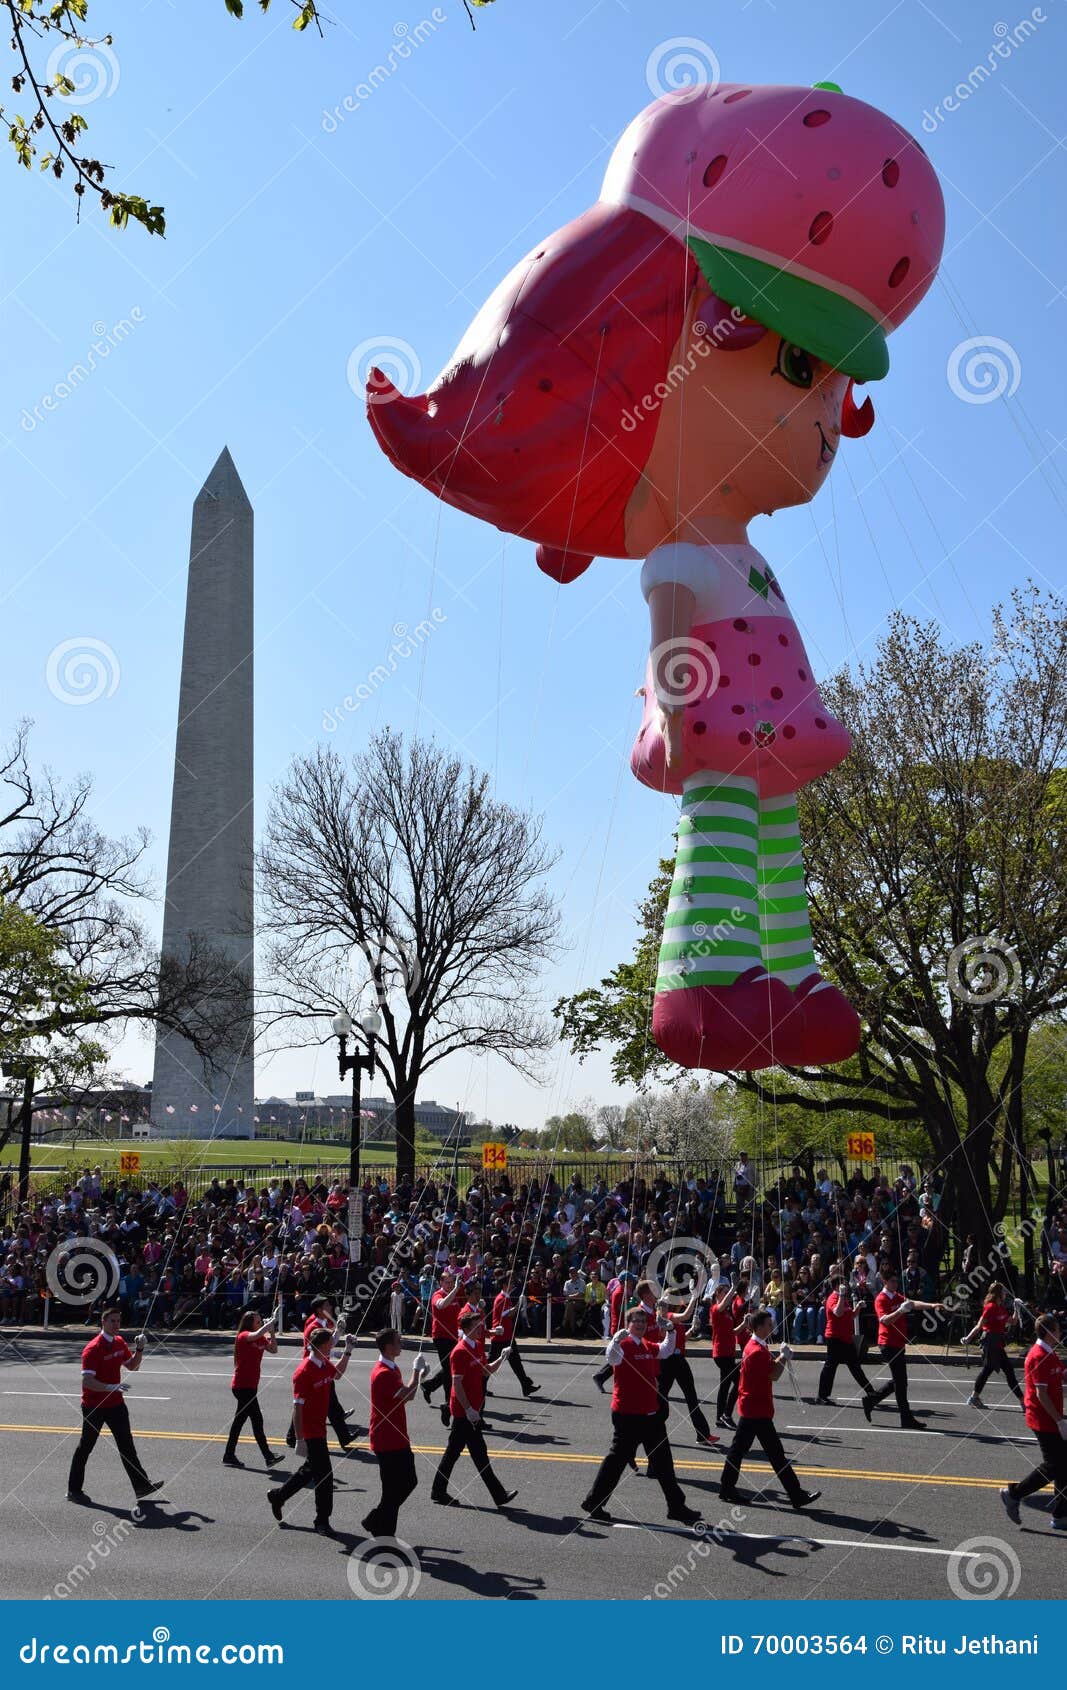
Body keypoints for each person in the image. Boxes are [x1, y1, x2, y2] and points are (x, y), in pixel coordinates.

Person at [579, 1306, 701, 1526]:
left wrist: (671, 1331)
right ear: (628, 1323)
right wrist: (614, 1340)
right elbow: (613, 1359)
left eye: (643, 1322)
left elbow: (665, 1350)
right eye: (636, 1321)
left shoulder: (645, 1344)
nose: (641, 1325)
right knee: (616, 1462)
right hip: (628, 1415)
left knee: (664, 1462)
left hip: (650, 1414)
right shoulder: (623, 1345)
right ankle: (594, 1501)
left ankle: (676, 1506)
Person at [718, 1309, 820, 1511]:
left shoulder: (756, 1345)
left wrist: (780, 1357)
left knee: (741, 1451)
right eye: (767, 1324)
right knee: (774, 1454)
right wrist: (783, 1356)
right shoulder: (756, 1350)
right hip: (756, 1409)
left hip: (753, 1407)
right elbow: (773, 1375)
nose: (771, 1326)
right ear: (758, 1327)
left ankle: (727, 1488)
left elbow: (768, 1369)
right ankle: (796, 1495)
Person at [67, 1307, 164, 1504]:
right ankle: (73, 1490)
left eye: (119, 1321)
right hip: (94, 1406)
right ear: (103, 1322)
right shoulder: (93, 1348)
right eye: (112, 1321)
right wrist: (111, 1386)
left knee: (127, 1446)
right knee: (86, 1447)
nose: (116, 1325)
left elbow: (133, 1367)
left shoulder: (119, 1342)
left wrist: (140, 1349)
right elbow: (87, 1381)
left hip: (115, 1404)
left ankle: (142, 1486)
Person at [270, 1325, 353, 1536]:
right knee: (324, 1476)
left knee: (310, 1470)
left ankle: (279, 1496)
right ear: (321, 1346)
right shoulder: (303, 1372)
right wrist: (300, 1439)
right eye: (329, 1344)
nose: (332, 1346)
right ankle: (321, 1520)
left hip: (320, 1429)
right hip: (310, 1432)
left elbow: (338, 1374)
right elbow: (297, 1408)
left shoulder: (324, 1362)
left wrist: (348, 1351)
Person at [430, 1310, 518, 1510]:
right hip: (464, 1413)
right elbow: (457, 1384)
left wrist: (502, 1358)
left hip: (473, 1412)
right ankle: (498, 1495)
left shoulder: (477, 1346)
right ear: (468, 1329)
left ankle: (439, 1490)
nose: (482, 1329)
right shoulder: (459, 1352)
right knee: (472, 1454)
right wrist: (468, 1409)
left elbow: (486, 1371)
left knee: (464, 1453)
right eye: (478, 1326)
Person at [1000, 1313, 1067, 1533]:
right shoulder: (1038, 1356)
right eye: (1057, 1330)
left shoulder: (1050, 1353)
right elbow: (1041, 1394)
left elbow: (1062, 1374)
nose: (1060, 1333)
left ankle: (1060, 1514)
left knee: (1063, 1465)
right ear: (1048, 1333)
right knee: (1053, 1466)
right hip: (1044, 1420)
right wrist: (1059, 1421)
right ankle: (1014, 1494)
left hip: (1053, 1418)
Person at [362, 1328, 428, 1539]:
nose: (402, 1344)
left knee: (407, 1482)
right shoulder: (383, 1373)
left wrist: (420, 1376)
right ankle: (382, 1530)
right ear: (389, 1347)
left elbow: (405, 1394)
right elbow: (407, 1396)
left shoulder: (391, 1368)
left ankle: (378, 1524)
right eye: (399, 1341)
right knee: (393, 1489)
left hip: (397, 1434)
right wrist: (417, 1373)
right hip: (386, 1438)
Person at [863, 1268, 943, 1429]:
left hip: (898, 1343)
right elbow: (884, 1320)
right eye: (892, 1281)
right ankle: (906, 1418)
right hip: (888, 1344)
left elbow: (912, 1303)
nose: (896, 1283)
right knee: (901, 1383)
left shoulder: (896, 1296)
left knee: (899, 1381)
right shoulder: (881, 1299)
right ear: (885, 1282)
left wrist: (932, 1305)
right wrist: (900, 1310)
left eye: (896, 1281)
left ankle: (871, 1399)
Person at [284, 1295, 357, 1450]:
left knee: (331, 1403)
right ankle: (295, 1437)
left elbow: (328, 1344)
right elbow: (323, 1347)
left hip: (323, 1366)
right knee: (309, 1403)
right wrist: (339, 1335)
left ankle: (344, 1437)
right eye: (327, 1306)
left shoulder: (323, 1323)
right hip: (313, 1369)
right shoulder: (314, 1326)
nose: (330, 1308)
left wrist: (339, 1330)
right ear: (319, 1309)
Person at [656, 1287, 718, 1447]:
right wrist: (695, 1297)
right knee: (664, 1396)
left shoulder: (669, 1317)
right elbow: (685, 1315)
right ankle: (651, 1430)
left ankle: (702, 1434)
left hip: (678, 1360)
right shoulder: (668, 1316)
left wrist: (692, 1330)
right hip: (670, 1361)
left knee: (687, 1397)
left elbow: (680, 1338)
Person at [224, 1309, 284, 1467]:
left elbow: (274, 1350)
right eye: (258, 1321)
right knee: (257, 1421)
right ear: (249, 1323)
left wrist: (272, 1332)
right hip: (242, 1386)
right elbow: (256, 1335)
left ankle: (228, 1454)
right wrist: (268, 1325)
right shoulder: (244, 1336)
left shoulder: (260, 1337)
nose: (260, 1323)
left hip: (251, 1386)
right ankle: (268, 1456)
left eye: (260, 1321)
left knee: (239, 1422)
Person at [816, 1278, 876, 1408]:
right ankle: (821, 1396)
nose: (847, 1285)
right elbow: (838, 1313)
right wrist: (841, 1296)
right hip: (835, 1338)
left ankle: (871, 1392)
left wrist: (858, 1307)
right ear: (837, 1286)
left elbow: (851, 1315)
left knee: (855, 1367)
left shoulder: (844, 1298)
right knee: (830, 1367)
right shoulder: (833, 1298)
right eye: (843, 1283)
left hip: (845, 1339)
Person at [963, 1283, 1024, 1410]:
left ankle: (974, 1397)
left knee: (989, 1371)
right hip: (990, 1342)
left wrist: (1016, 1308)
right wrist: (968, 1338)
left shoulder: (1000, 1308)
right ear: (998, 1294)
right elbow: (979, 1325)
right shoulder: (990, 1307)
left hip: (998, 1343)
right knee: (1005, 1371)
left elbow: (1013, 1321)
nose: (1005, 1294)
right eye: (1003, 1292)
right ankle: (1023, 1401)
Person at [421, 1269, 464, 1428]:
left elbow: (458, 1315)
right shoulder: (437, 1295)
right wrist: (455, 1290)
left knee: (449, 1370)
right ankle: (448, 1405)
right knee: (450, 1372)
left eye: (452, 1282)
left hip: (453, 1337)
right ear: (441, 1283)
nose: (450, 1284)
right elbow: (442, 1305)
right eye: (447, 1282)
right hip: (441, 1338)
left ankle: (428, 1386)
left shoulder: (454, 1296)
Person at [490, 1277, 539, 1398]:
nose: (512, 1285)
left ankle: (526, 1385)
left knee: (516, 1363)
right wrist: (519, 1304)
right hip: (500, 1337)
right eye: (510, 1283)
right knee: (490, 1364)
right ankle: (480, 1386)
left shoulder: (505, 1298)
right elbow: (508, 1315)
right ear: (504, 1285)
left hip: (507, 1335)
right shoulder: (501, 1298)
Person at [593, 1270, 636, 1391]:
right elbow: (622, 1310)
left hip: (623, 1328)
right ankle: (602, 1377)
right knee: (621, 1357)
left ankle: (600, 1376)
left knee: (622, 1357)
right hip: (619, 1329)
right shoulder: (619, 1293)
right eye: (630, 1281)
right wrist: (632, 1305)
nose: (632, 1283)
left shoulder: (624, 1292)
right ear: (623, 1282)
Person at [710, 1279, 743, 1428]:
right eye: (725, 1292)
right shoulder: (716, 1309)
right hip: (721, 1353)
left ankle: (719, 1418)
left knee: (724, 1386)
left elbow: (733, 1332)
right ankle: (726, 1414)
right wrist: (734, 1288)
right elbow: (723, 1304)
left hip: (729, 1353)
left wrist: (744, 1323)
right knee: (740, 1381)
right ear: (718, 1294)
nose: (729, 1295)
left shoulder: (727, 1313)